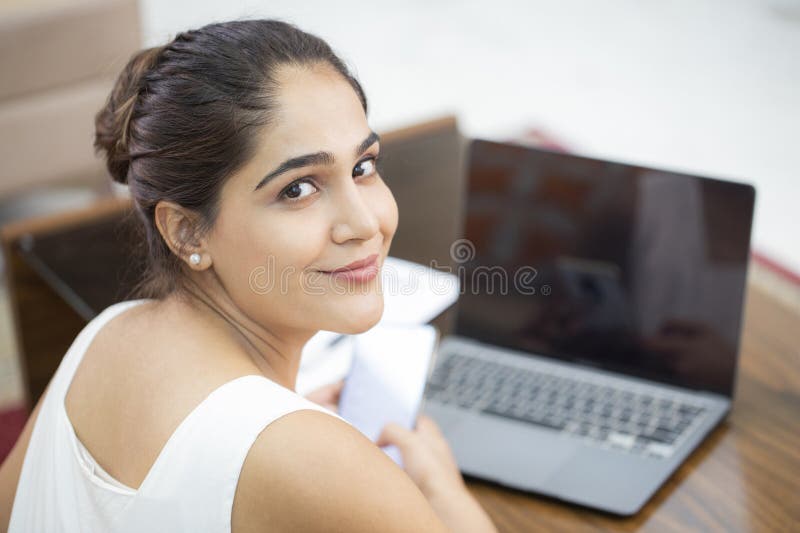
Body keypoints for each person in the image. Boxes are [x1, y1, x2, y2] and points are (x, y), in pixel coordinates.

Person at [0, 19, 497, 532]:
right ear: (188, 232)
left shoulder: (106, 335)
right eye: (298, 189)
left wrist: (278, 436)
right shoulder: (322, 467)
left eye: (363, 166)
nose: (365, 223)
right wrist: (447, 495)